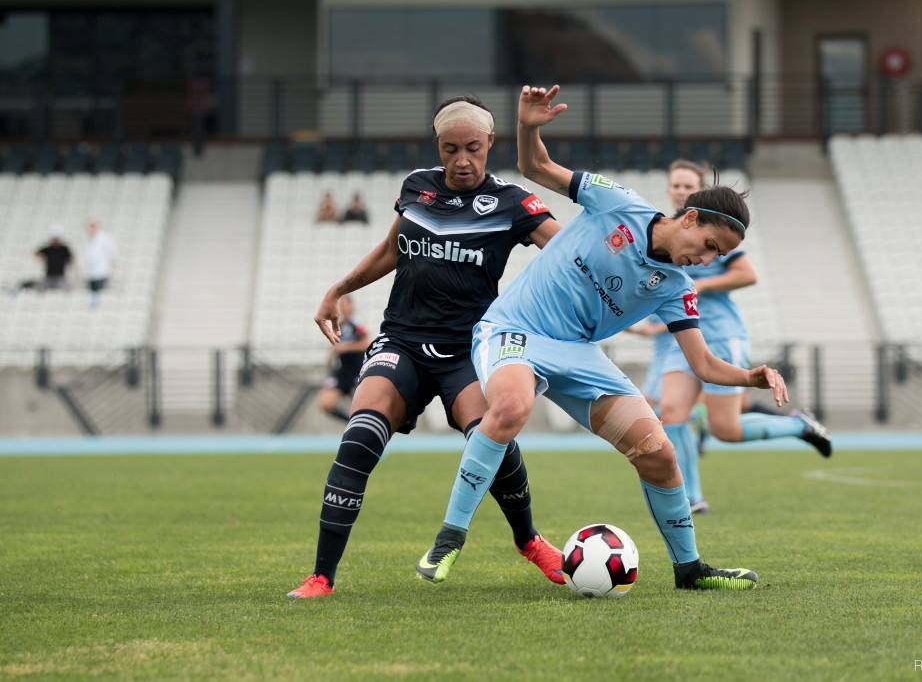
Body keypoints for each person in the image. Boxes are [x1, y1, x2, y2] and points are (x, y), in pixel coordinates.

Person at [415, 85, 790, 592]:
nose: (704, 261)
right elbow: (537, 167)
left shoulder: (676, 287)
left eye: (715, 257)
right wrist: (529, 125)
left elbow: (702, 363)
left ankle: (689, 568)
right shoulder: (620, 204)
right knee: (511, 407)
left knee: (659, 453)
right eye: (707, 246)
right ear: (692, 217)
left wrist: (752, 376)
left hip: (577, 355)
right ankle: (450, 535)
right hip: (514, 329)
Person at [288, 94, 565, 599]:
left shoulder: (512, 202)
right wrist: (339, 288)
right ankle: (322, 575)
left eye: (473, 149)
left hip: (469, 349)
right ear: (438, 146)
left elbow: (567, 253)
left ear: (490, 145)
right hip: (403, 341)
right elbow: (394, 248)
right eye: (451, 148)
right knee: (360, 435)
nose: (462, 160)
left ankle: (528, 540)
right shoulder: (416, 186)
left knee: (491, 435)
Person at [632, 160, 831, 514]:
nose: (680, 191)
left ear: (699, 193)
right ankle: (692, 497)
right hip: (683, 339)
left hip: (721, 334)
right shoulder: (662, 232)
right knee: (671, 413)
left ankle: (799, 427)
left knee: (725, 427)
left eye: (687, 186)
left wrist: (700, 285)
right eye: (675, 185)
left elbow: (747, 274)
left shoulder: (716, 230)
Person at [317, 295, 370, 422]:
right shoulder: (339, 325)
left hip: (357, 371)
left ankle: (361, 424)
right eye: (340, 306)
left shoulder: (356, 324)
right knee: (325, 403)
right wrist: (331, 354)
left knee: (362, 407)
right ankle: (350, 421)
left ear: (351, 306)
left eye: (345, 305)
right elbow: (336, 347)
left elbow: (367, 343)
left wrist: (345, 348)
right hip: (343, 371)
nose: (342, 308)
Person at [21, 224, 74, 292]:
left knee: (67, 290)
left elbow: (71, 259)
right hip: (49, 276)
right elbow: (35, 252)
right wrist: (41, 257)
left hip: (60, 277)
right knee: (40, 289)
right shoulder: (48, 248)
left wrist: (68, 262)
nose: (55, 240)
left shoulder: (64, 249)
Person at [83, 219, 117, 307]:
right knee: (92, 293)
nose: (91, 229)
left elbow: (112, 253)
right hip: (91, 272)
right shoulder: (87, 240)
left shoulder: (105, 238)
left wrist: (110, 266)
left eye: (93, 227)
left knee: (101, 292)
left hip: (102, 271)